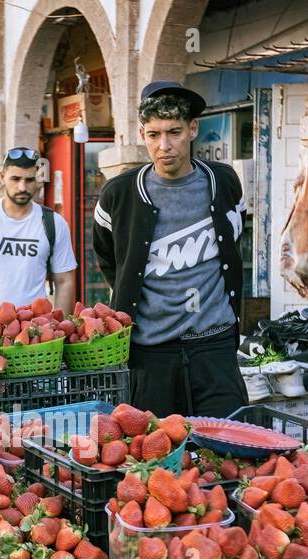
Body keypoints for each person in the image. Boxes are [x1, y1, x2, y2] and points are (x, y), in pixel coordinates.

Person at [92, 82, 249, 418]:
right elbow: (108, 258)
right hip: (151, 353)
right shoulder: (120, 195)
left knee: (228, 451)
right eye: (153, 135)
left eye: (174, 132)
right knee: (155, 456)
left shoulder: (223, 182)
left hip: (215, 347)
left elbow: (235, 237)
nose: (164, 146)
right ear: (142, 134)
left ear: (193, 129)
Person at [0, 147, 77, 331]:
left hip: (36, 335)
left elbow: (65, 281)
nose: (22, 187)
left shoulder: (54, 223)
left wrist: (58, 332)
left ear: (38, 179)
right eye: (15, 179)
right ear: (2, 177)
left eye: (29, 179)